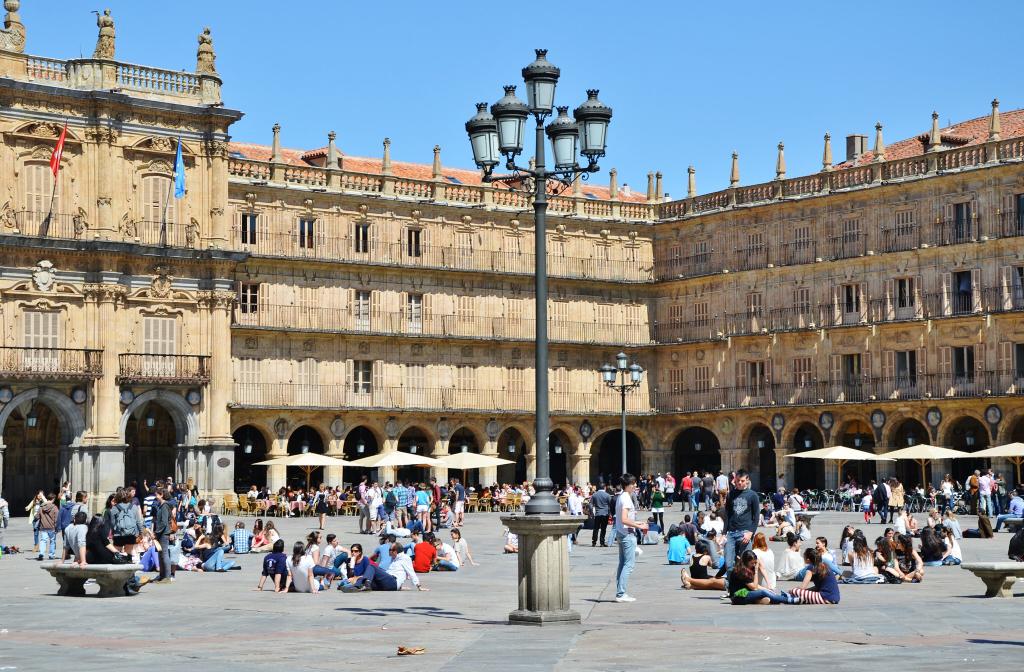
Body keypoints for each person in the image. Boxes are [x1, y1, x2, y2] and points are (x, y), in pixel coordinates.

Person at [613, 473, 648, 603]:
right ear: (627, 485)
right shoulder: (626, 498)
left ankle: (620, 592)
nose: (635, 486)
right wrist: (639, 526)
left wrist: (638, 523)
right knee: (629, 565)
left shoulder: (620, 497)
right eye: (633, 484)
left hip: (621, 533)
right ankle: (621, 594)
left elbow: (624, 519)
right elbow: (624, 519)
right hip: (627, 534)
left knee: (623, 564)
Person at [722, 469, 760, 574]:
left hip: (745, 533)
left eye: (742, 481)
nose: (739, 483)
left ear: (747, 480)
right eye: (738, 480)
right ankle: (731, 587)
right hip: (731, 533)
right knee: (728, 563)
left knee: (746, 562)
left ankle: (746, 586)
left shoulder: (753, 495)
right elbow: (727, 515)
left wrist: (750, 532)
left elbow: (756, 516)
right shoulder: (731, 494)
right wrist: (724, 533)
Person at [728, 550, 794, 605]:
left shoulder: (746, 568)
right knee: (763, 593)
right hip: (738, 597)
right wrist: (756, 570)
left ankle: (763, 600)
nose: (754, 565)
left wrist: (768, 590)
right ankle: (787, 600)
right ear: (746, 562)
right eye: (752, 563)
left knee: (767, 593)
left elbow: (756, 585)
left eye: (755, 563)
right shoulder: (741, 571)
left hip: (745, 593)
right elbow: (755, 587)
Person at [36, 492, 58, 561]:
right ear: (53, 499)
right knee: (52, 541)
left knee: (43, 540)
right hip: (52, 527)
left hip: (43, 527)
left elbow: (36, 516)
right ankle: (51, 555)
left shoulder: (41, 507)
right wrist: (56, 526)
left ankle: (41, 553)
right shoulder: (54, 507)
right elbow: (57, 518)